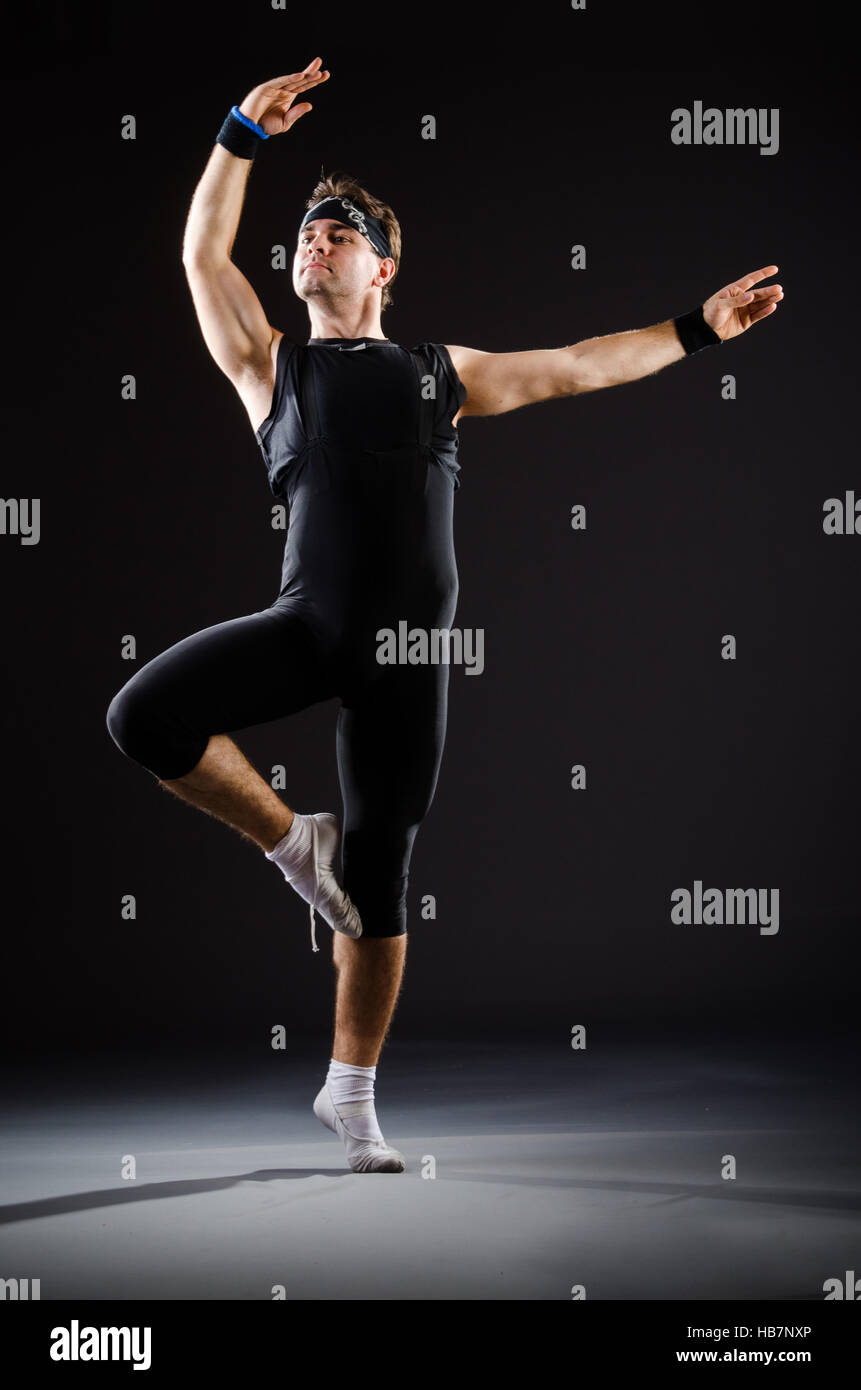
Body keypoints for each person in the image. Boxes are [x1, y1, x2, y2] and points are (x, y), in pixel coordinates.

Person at [106, 57, 784, 1173]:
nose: (312, 242)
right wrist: (238, 130)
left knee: (381, 874)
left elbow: (573, 367)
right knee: (146, 718)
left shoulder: (440, 374)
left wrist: (697, 329)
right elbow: (199, 254)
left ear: (383, 267)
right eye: (305, 234)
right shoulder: (266, 367)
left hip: (409, 661)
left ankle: (354, 1098)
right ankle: (291, 843)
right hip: (308, 626)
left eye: (336, 232)